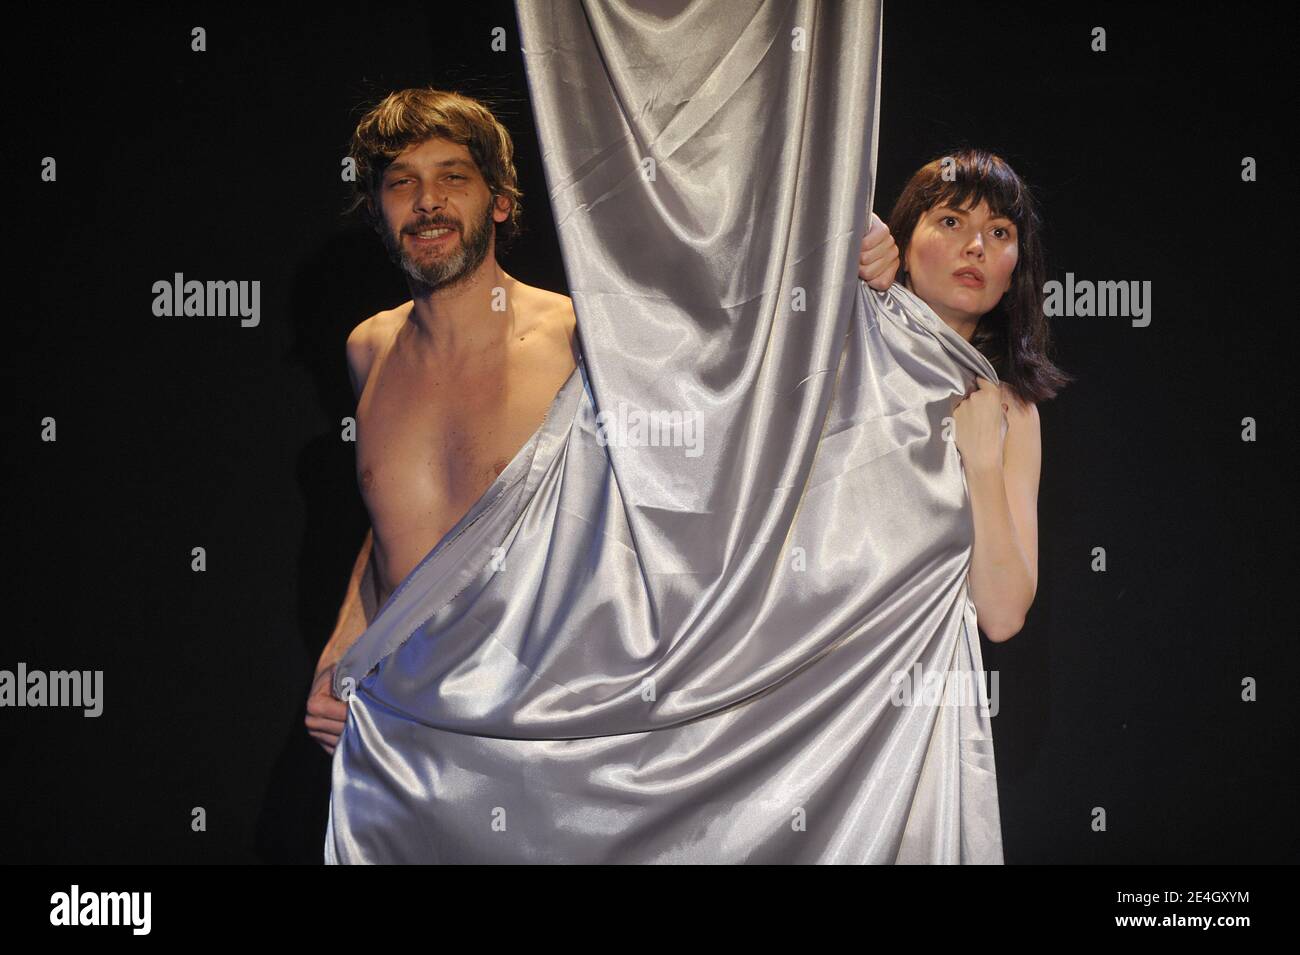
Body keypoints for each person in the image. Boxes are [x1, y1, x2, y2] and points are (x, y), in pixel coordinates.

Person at [856, 148, 1074, 643]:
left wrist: (982, 464)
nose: (976, 245)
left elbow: (1001, 617)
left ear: (1015, 269)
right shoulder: (844, 331)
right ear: (903, 241)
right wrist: (853, 226)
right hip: (799, 670)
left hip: (922, 691)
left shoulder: (1011, 410)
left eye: (1000, 232)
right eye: (951, 220)